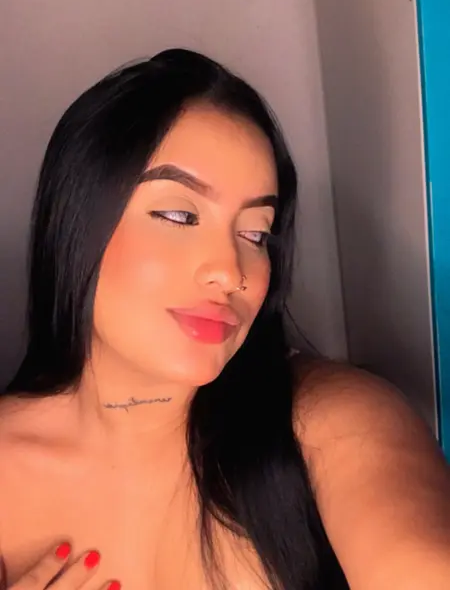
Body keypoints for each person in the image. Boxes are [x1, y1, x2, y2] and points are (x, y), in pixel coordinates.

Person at [0, 48, 449, 590]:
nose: (230, 272)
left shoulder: (330, 421)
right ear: (75, 220)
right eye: (178, 214)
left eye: (255, 234)